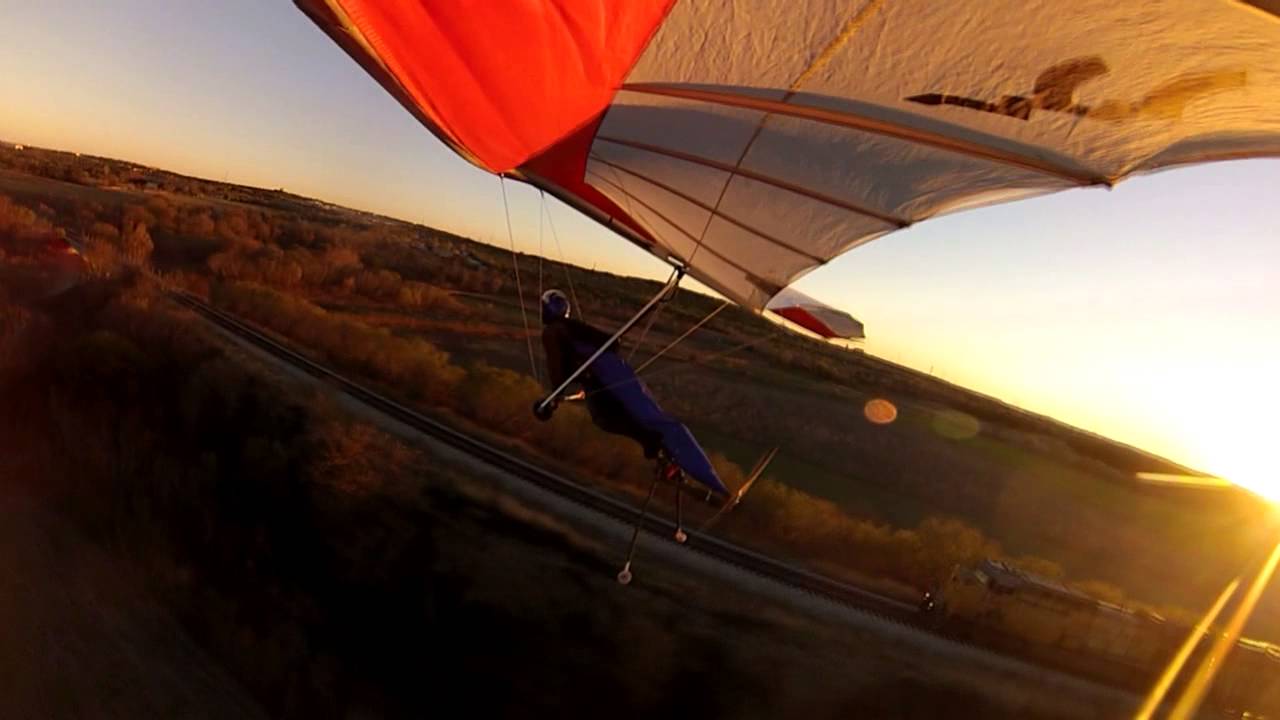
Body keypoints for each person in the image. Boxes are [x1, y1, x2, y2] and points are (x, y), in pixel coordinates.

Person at [533, 288, 727, 495]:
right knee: (630, 418)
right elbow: (609, 345)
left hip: (603, 378)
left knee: (611, 419)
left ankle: (666, 454)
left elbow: (557, 366)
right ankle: (666, 457)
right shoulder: (571, 328)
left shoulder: (553, 331)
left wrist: (555, 393)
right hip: (611, 375)